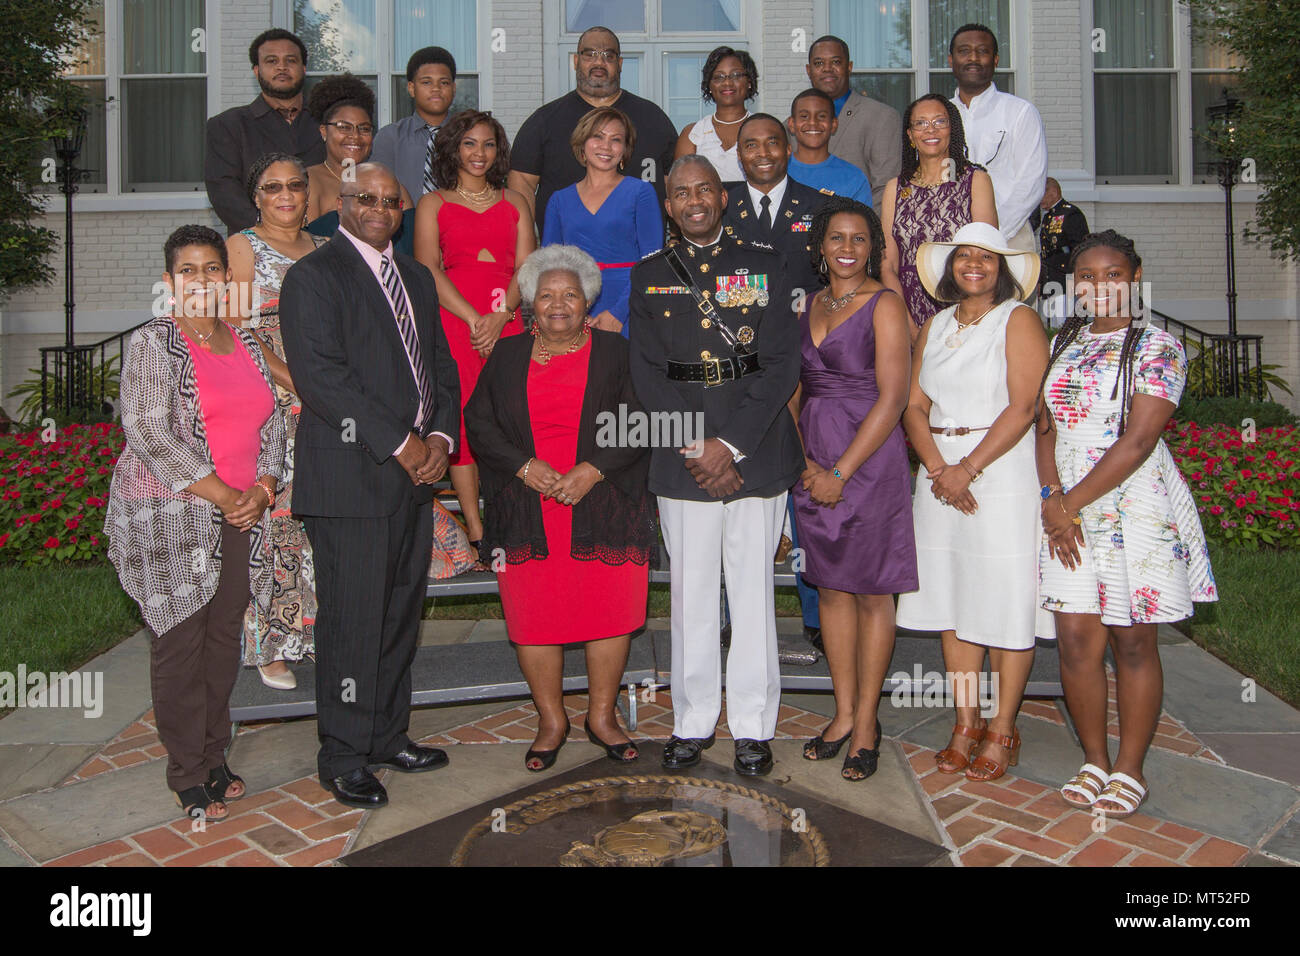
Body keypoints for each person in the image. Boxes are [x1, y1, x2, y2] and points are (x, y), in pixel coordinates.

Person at [279, 163, 460, 810]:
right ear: (342, 204)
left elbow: (438, 363)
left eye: (390, 200)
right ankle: (345, 755)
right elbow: (322, 379)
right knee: (353, 625)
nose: (379, 208)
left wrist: (438, 440)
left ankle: (388, 736)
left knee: (397, 618)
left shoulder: (413, 275)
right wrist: (402, 443)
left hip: (414, 478)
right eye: (366, 199)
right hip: (352, 479)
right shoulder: (314, 278)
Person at [105, 225, 286, 822]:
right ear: (169, 282)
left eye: (213, 269)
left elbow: (274, 425)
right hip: (173, 519)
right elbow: (152, 433)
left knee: (220, 643)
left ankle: (213, 754)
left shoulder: (247, 343)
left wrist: (259, 490)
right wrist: (228, 495)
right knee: (180, 646)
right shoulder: (154, 343)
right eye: (189, 270)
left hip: (240, 515)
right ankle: (186, 770)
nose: (203, 280)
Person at [629, 156, 802, 777]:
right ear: (669, 205)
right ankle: (693, 720)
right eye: (682, 192)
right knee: (693, 594)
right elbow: (645, 371)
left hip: (754, 450)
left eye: (705, 188)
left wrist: (729, 445)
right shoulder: (650, 276)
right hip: (683, 459)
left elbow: (781, 363)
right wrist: (698, 446)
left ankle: (753, 725)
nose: (695, 200)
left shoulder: (765, 265)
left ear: (722, 198)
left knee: (753, 595)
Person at [1036, 231, 1216, 818]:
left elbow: (1138, 440)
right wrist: (1051, 496)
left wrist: (1069, 505)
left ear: (1134, 277)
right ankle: (1093, 758)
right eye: (1087, 275)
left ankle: (1130, 767)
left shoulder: (1159, 346)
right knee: (1076, 639)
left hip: (1132, 503)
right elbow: (1045, 428)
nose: (1099, 286)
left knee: (1134, 639)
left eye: (1113, 274)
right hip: (1065, 504)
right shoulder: (1063, 338)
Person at [464, 246, 655, 771]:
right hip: (528, 507)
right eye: (546, 295)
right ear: (528, 302)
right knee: (534, 617)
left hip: (605, 502)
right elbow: (478, 423)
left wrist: (592, 470)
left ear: (587, 299)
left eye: (570, 294)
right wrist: (525, 468)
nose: (558, 304)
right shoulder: (504, 356)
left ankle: (601, 717)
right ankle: (551, 720)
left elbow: (644, 419)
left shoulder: (618, 352)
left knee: (609, 612)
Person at [896, 222, 1051, 782]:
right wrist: (939, 469)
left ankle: (1003, 724)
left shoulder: (1019, 320)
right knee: (953, 600)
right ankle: (965, 721)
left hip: (1000, 472)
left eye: (987, 257)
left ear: (1002, 267)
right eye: (964, 256)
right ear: (951, 267)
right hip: (940, 476)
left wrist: (969, 469)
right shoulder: (935, 325)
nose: (975, 265)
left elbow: (1024, 406)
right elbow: (914, 406)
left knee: (1005, 598)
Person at [791, 198, 915, 781]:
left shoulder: (885, 306)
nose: (847, 248)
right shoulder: (809, 303)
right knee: (832, 589)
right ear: (821, 246)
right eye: (837, 238)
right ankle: (841, 713)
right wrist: (801, 459)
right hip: (812, 458)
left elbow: (893, 397)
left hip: (867, 460)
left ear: (874, 247)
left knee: (872, 593)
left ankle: (867, 721)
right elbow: (795, 387)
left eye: (860, 239)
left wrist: (840, 472)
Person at [721, 113, 829, 647]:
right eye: (749, 145)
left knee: (802, 478)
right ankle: (730, 612)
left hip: (808, 359)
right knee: (734, 480)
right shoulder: (720, 203)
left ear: (787, 147)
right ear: (737, 154)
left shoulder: (819, 206)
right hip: (736, 362)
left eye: (770, 143)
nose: (761, 152)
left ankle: (815, 613)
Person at [227, 153, 329, 691]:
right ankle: (268, 643)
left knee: (316, 524)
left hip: (326, 404)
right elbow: (236, 331)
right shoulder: (241, 248)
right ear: (256, 196)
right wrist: (295, 380)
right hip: (273, 403)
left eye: (295, 185)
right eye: (273, 187)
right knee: (275, 525)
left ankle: (311, 634)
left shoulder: (328, 249)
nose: (286, 195)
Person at [414, 110, 535, 555]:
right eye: (469, 143)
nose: (479, 153)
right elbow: (428, 268)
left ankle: (511, 518)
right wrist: (472, 319)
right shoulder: (434, 203)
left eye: (487, 144)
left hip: (507, 321)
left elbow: (526, 267)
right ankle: (477, 529)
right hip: (454, 323)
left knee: (509, 420)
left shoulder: (515, 201)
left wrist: (499, 316)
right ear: (453, 149)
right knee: (462, 421)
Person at [508, 26, 677, 236]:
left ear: (620, 64)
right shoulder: (544, 121)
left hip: (639, 257)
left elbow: (676, 181)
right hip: (565, 256)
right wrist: (525, 241)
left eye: (608, 55)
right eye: (590, 54)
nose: (599, 62)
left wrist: (677, 235)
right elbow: (521, 183)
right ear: (576, 61)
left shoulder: (652, 117)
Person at [880, 94, 997, 333]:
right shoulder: (895, 188)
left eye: (939, 122)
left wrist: (966, 320)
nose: (930, 130)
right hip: (906, 308)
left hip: (964, 307)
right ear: (910, 135)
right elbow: (887, 264)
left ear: (952, 129)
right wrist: (906, 323)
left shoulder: (976, 181)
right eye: (921, 123)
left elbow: (987, 257)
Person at [542, 107, 662, 338]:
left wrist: (618, 313)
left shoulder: (641, 192)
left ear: (625, 150)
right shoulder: (559, 200)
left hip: (630, 305)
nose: (606, 146)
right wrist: (572, 312)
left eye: (616, 140)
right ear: (582, 143)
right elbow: (551, 268)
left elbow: (653, 261)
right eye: (598, 136)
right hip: (575, 306)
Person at [205, 29, 325, 234]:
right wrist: (273, 231)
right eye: (271, 61)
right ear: (256, 70)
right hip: (257, 247)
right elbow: (225, 194)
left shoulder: (327, 121)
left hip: (324, 243)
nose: (282, 67)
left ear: (304, 68)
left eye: (291, 60)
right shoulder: (228, 125)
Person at [948, 23, 1047, 251]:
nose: (973, 58)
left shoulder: (1020, 112)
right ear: (951, 60)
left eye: (982, 51)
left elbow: (1030, 185)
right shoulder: (940, 115)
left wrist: (987, 233)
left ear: (995, 60)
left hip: (1009, 237)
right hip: (948, 240)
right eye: (964, 51)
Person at [302, 75, 415, 254]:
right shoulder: (305, 182)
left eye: (364, 128)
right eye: (344, 127)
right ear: (324, 131)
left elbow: (409, 253)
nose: (355, 136)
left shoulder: (394, 188)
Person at [806, 35, 902, 210]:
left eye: (835, 62)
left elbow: (885, 189)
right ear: (808, 70)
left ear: (849, 67)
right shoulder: (791, 127)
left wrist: (865, 232)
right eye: (819, 63)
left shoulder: (882, 117)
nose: (827, 69)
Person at [371, 46, 459, 201]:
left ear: (453, 88)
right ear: (411, 88)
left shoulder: (468, 136)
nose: (436, 89)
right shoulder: (390, 137)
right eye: (426, 82)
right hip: (404, 222)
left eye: (444, 83)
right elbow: (379, 190)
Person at [674, 46, 759, 183]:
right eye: (719, 77)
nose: (727, 82)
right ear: (709, 85)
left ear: (749, 82)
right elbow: (681, 185)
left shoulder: (762, 129)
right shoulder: (693, 134)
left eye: (736, 75)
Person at [787, 89, 873, 208]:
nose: (812, 122)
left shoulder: (853, 177)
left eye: (821, 116)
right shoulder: (777, 171)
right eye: (804, 116)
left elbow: (862, 224)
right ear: (791, 124)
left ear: (833, 124)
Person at [1031, 178, 1090, 327]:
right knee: (1053, 323)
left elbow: (1081, 249)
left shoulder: (1070, 214)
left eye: (1041, 195)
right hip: (1051, 278)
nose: (1039, 200)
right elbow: (1046, 252)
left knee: (1064, 323)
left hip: (1066, 279)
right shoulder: (1049, 216)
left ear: (1053, 192)